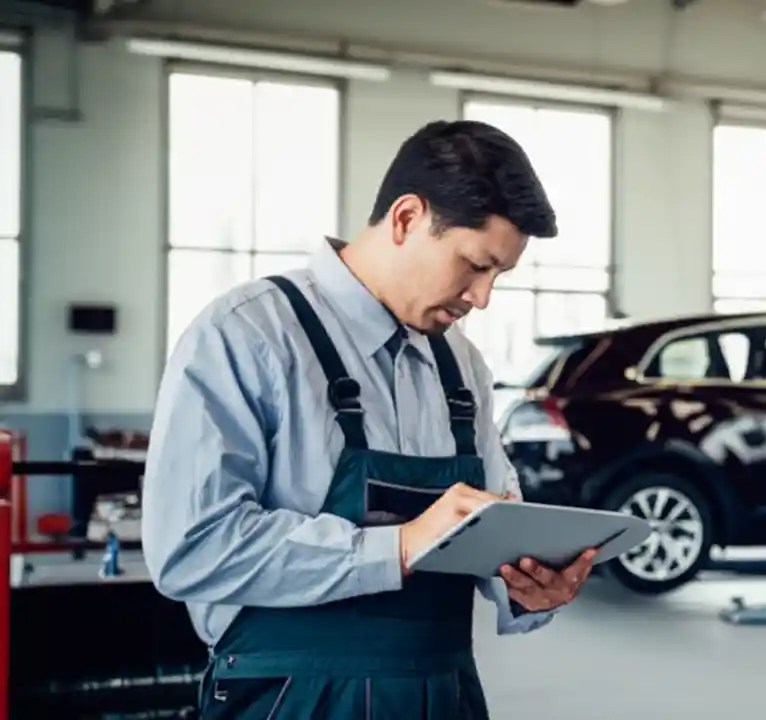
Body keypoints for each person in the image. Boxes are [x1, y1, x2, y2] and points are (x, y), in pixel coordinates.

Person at [141, 120, 595, 719]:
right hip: (292, 700)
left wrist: (531, 587)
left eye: (498, 276)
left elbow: (491, 523)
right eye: (473, 264)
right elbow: (190, 546)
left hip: (445, 695)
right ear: (406, 219)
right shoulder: (248, 334)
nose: (482, 298)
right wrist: (399, 547)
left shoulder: (462, 366)